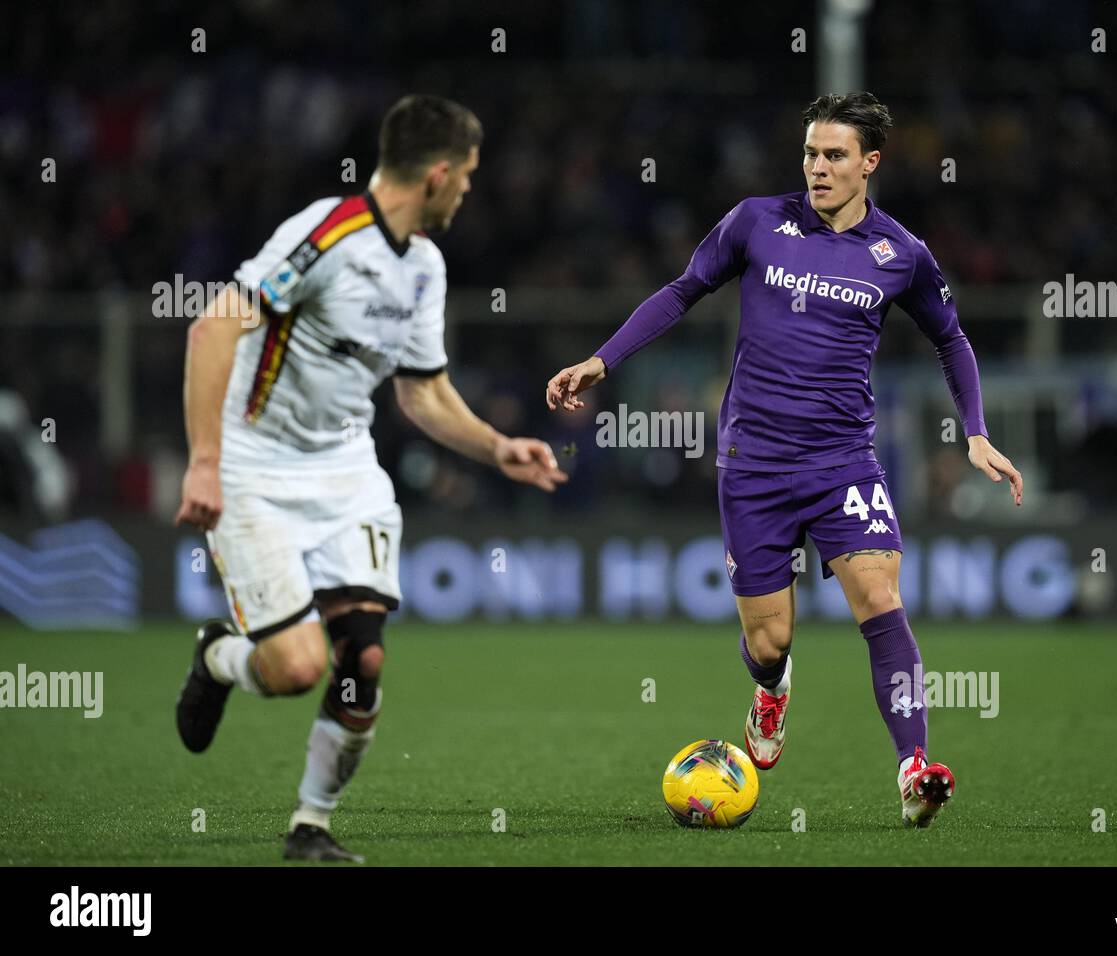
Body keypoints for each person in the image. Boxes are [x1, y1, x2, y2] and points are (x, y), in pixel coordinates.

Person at [546, 92, 1022, 828]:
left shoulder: (901, 255)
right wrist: (602, 362)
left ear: (870, 162)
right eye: (810, 153)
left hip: (843, 462)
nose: (818, 168)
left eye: (835, 155)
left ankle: (913, 767)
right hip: (753, 464)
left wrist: (977, 430)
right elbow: (683, 292)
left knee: (881, 601)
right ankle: (771, 689)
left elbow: (950, 339)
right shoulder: (756, 222)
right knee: (770, 640)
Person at [175, 94, 566, 861]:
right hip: (255, 465)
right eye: (469, 177)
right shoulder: (328, 234)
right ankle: (219, 657)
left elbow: (421, 391)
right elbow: (214, 324)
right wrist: (205, 462)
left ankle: (310, 824)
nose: (470, 192)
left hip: (346, 469)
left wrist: (496, 448)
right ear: (439, 173)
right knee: (294, 669)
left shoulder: (424, 267)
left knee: (366, 657)